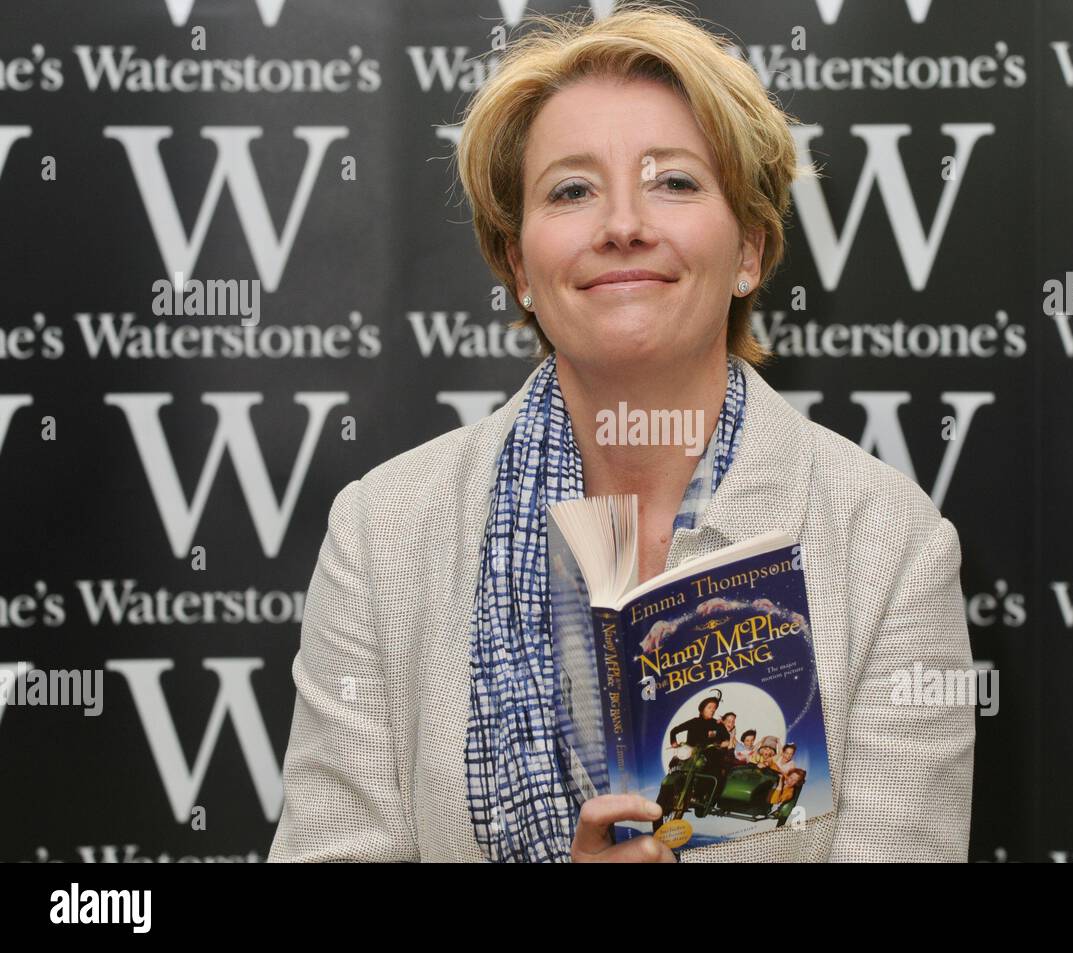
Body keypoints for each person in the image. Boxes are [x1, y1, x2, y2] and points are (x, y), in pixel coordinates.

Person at [269, 1, 974, 864]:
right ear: (521, 266)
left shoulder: (891, 545)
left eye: (674, 181)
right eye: (572, 190)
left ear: (750, 247)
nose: (623, 224)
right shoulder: (383, 532)